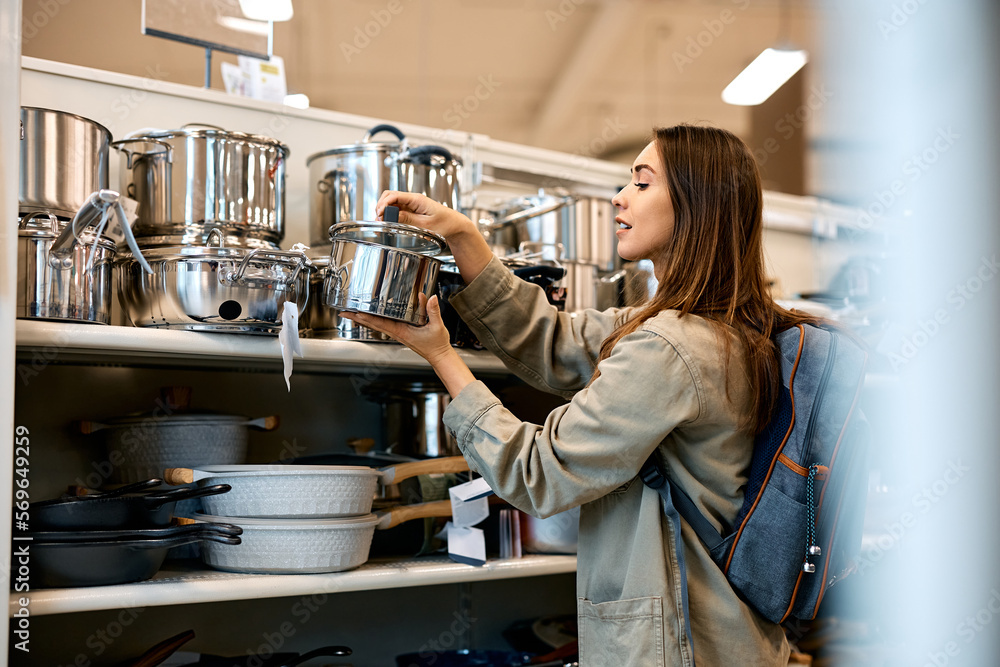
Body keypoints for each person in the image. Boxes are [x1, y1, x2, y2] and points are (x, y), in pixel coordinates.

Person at [343, 124, 820, 666]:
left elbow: (539, 473)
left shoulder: (670, 347)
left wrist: (442, 356)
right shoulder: (735, 330)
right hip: (730, 637)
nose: (619, 196)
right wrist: (464, 237)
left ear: (696, 207)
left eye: (642, 184)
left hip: (679, 646)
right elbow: (557, 340)